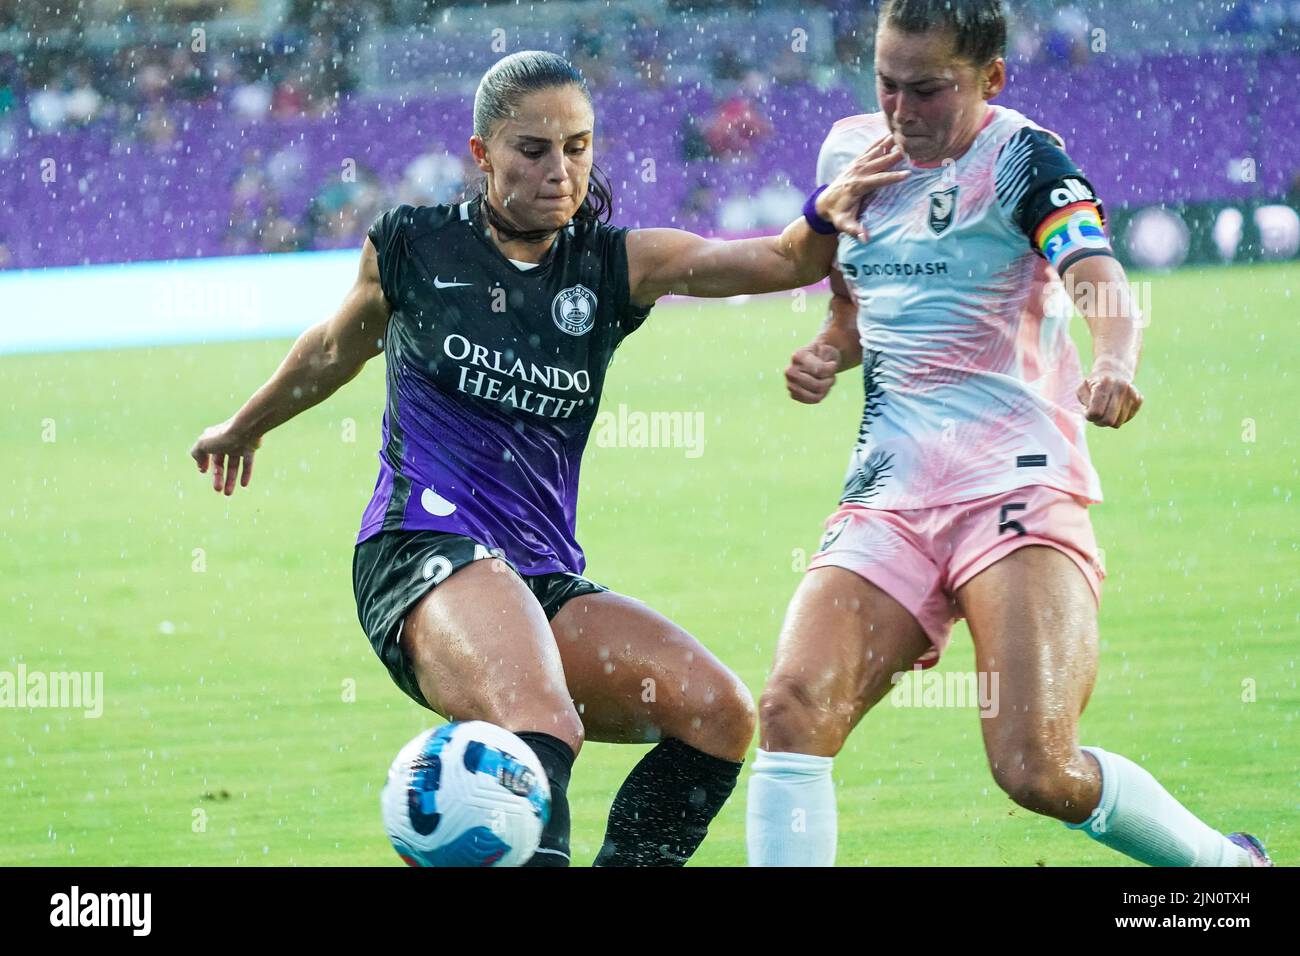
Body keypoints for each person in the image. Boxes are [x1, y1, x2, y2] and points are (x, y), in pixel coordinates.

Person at [189, 50, 905, 867]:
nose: (559, 170)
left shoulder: (613, 264)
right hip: (421, 550)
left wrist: (833, 204)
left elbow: (784, 261)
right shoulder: (414, 246)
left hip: (538, 572)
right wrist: (244, 426)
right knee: (542, 718)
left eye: (578, 146)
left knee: (718, 714)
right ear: (481, 153)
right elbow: (330, 350)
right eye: (532, 149)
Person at [747, 0, 1272, 867]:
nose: (901, 113)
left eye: (928, 91)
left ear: (991, 78)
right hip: (889, 488)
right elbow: (858, 304)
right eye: (886, 83)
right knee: (793, 710)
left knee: (1035, 768)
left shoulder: (1026, 156)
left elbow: (1096, 273)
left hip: (1015, 480)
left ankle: (1227, 871)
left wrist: (1115, 359)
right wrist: (826, 353)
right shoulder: (849, 153)